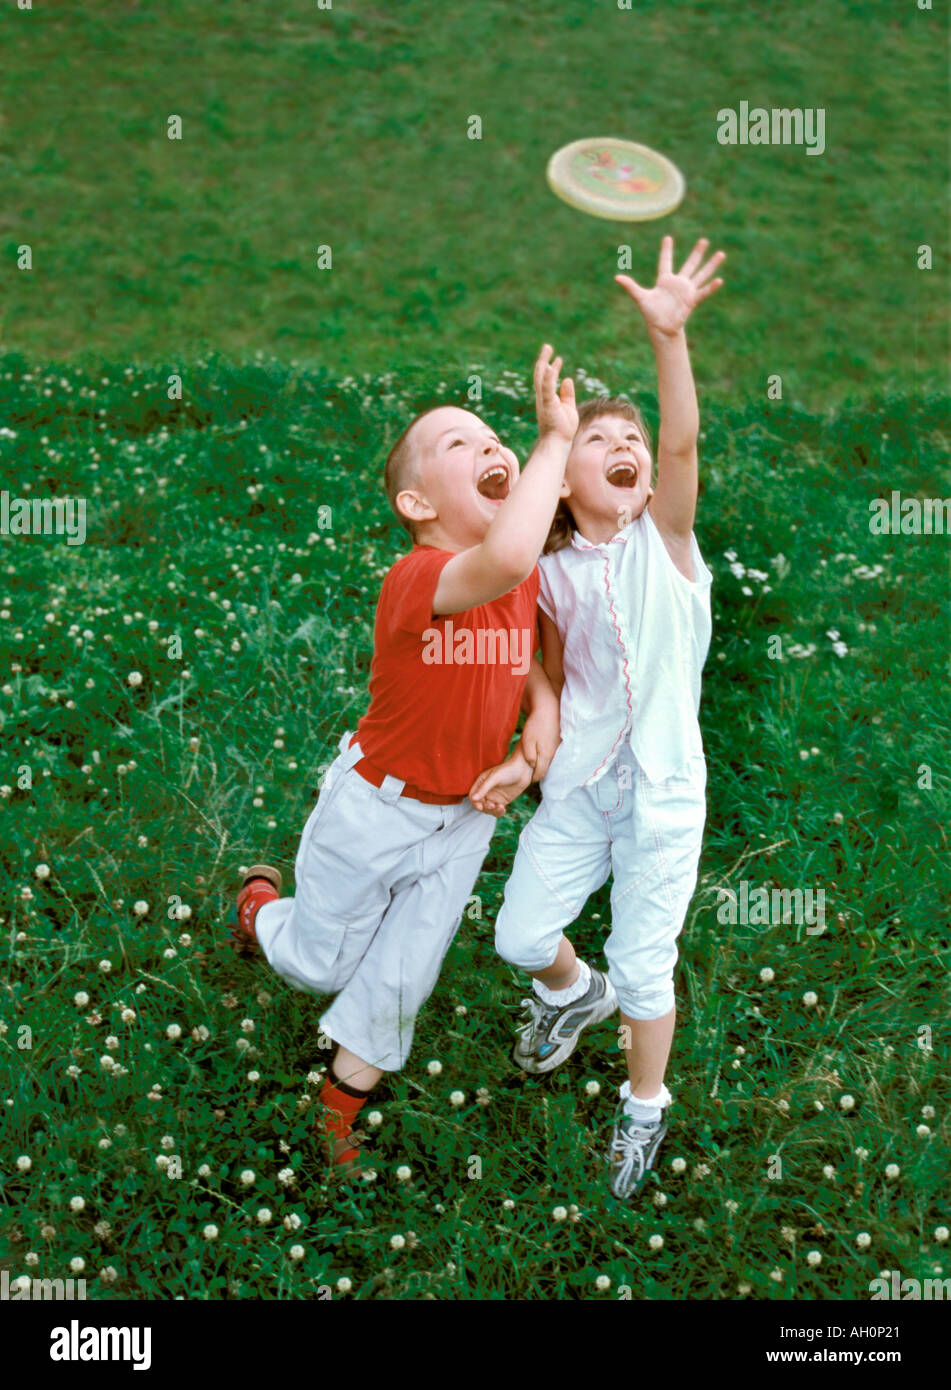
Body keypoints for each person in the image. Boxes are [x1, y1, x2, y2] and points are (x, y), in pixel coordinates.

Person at [229, 345, 575, 1175]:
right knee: (321, 966)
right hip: (372, 811)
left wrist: (539, 726)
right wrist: (552, 441)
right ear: (416, 503)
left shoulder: (516, 573)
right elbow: (506, 560)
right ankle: (259, 911)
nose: (492, 448)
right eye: (461, 446)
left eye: (496, 438)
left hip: (462, 818)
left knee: (403, 974)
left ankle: (337, 1104)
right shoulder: (417, 578)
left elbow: (527, 647)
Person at [470, 236, 726, 1200]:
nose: (623, 449)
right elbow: (541, 655)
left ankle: (643, 1108)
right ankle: (574, 998)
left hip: (661, 798)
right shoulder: (547, 567)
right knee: (518, 935)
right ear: (565, 485)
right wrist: (530, 745)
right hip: (577, 788)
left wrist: (668, 338)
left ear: (649, 482)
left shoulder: (667, 544)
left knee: (645, 963)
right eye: (597, 442)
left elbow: (680, 440)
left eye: (631, 445)